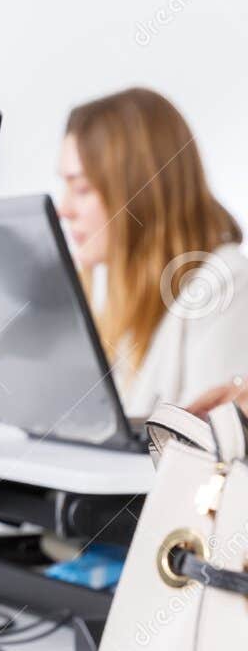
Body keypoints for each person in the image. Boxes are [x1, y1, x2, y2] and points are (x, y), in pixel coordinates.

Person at [56, 87, 248, 417]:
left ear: (138, 193)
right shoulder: (131, 309)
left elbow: (205, 455)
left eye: (82, 188)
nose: (64, 209)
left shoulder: (226, 285)